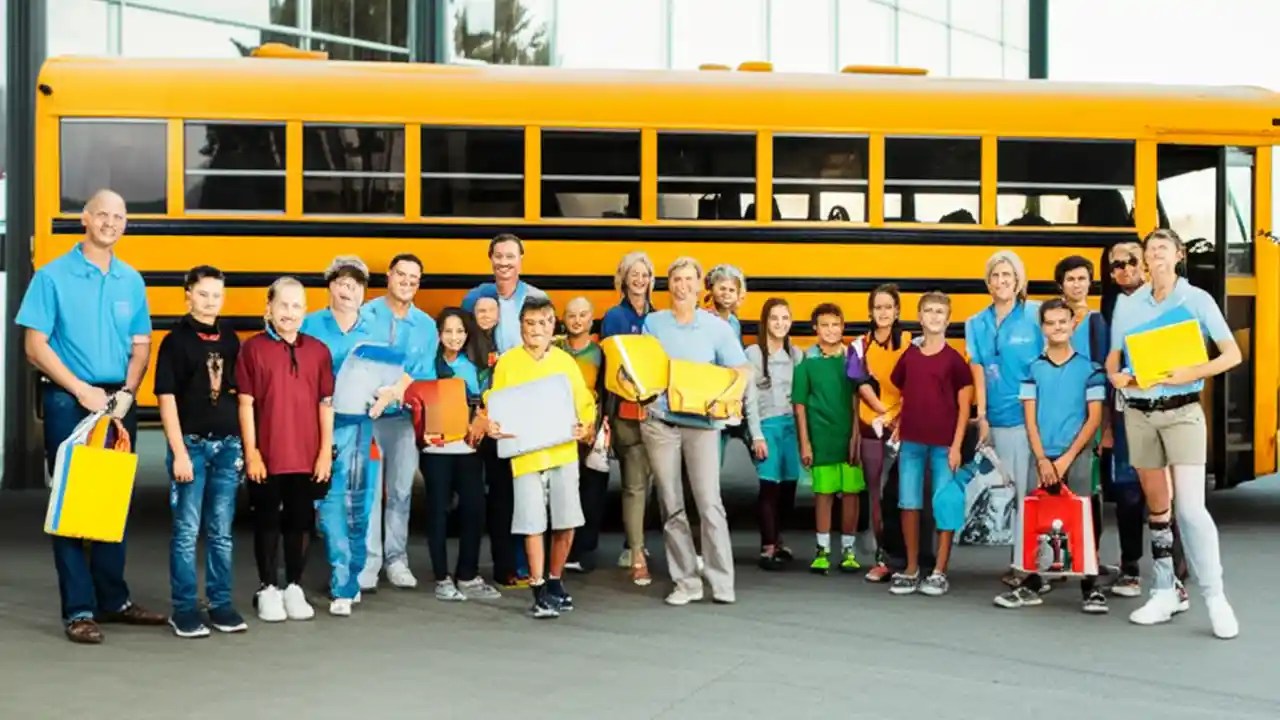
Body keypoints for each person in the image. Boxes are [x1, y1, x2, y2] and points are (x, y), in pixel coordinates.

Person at [17, 188, 167, 643]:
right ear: (85, 218)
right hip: (70, 400)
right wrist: (81, 390)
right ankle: (79, 610)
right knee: (72, 506)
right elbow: (34, 345)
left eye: (118, 216)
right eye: (102, 214)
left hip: (118, 403)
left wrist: (127, 391)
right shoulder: (52, 276)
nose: (110, 223)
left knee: (111, 501)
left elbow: (141, 346)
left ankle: (113, 600)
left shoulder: (130, 280)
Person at [1106, 229, 1240, 639]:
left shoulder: (1196, 299)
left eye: (1163, 249)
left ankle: (1215, 596)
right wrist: (1121, 378)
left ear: (1179, 255)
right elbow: (1113, 362)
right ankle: (1164, 590)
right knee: (1158, 511)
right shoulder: (1127, 306)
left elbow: (1231, 353)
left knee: (1191, 509)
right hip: (1140, 414)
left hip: (1182, 411)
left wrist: (1192, 372)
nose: (1155, 256)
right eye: (1150, 250)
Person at [641, 257, 750, 607]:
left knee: (709, 503)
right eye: (676, 279)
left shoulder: (716, 327)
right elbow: (645, 370)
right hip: (662, 423)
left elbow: (742, 370)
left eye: (689, 279)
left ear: (700, 285)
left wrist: (724, 399)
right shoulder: (654, 323)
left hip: (703, 424)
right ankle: (686, 582)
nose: (682, 285)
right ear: (668, 284)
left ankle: (721, 581)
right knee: (671, 504)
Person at [994, 299, 1108, 614]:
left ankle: (1091, 585)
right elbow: (1029, 419)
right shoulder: (1033, 370)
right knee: (1040, 519)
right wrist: (1043, 459)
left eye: (1063, 322)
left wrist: (1066, 458)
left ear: (1073, 325)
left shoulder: (1091, 369)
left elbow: (1094, 418)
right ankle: (1033, 582)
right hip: (1042, 456)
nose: (1057, 327)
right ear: (1042, 328)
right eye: (1051, 322)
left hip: (1077, 455)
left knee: (1083, 517)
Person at [484, 296, 596, 619]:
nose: (536, 329)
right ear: (520, 327)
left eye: (543, 323)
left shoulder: (565, 362)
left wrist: (584, 427)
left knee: (566, 519)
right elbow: (496, 401)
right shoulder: (507, 363)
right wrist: (492, 424)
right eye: (529, 323)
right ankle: (537, 586)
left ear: (553, 326)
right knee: (532, 520)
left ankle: (556, 580)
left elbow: (584, 403)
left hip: (562, 450)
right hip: (525, 453)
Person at [154, 265, 247, 638]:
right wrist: (178, 451)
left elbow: (238, 391)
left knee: (221, 530)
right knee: (187, 530)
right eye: (204, 294)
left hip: (227, 445)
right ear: (188, 294)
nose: (211, 302)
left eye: (217, 295)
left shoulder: (230, 339)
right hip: (190, 445)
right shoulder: (175, 341)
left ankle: (221, 603)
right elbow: (166, 399)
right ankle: (184, 608)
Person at [237, 277, 335, 623]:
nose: (290, 312)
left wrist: (324, 452)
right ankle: (268, 587)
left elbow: (325, 404)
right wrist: (252, 451)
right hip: (268, 452)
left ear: (306, 311)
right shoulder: (253, 349)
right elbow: (246, 404)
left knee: (301, 519)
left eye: (297, 306)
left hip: (306, 453)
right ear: (269, 308)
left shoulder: (319, 351)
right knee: (267, 520)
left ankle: (294, 585)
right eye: (283, 305)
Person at [1099, 241, 1190, 604]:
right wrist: (1107, 423)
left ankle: (1174, 570)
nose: (1124, 269)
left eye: (1131, 260)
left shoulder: (1168, 302)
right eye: (1116, 264)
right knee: (1126, 491)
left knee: (1165, 492)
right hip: (1125, 411)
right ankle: (1130, 565)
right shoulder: (1110, 309)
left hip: (1166, 408)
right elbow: (1107, 369)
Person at [301, 256, 387, 616]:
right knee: (328, 504)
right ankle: (339, 579)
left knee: (359, 505)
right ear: (330, 287)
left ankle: (349, 580)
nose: (348, 289)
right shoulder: (310, 325)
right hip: (316, 426)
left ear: (364, 292)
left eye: (356, 284)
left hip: (360, 426)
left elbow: (390, 377)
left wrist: (388, 393)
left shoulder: (373, 330)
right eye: (341, 282)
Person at [359, 253, 439, 591]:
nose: (407, 282)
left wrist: (396, 391)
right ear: (389, 276)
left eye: (414, 278)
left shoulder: (426, 325)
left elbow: (424, 374)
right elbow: (357, 359)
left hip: (403, 420)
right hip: (368, 417)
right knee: (370, 492)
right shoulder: (367, 314)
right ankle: (368, 560)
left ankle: (396, 559)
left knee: (401, 491)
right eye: (401, 275)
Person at [965, 250, 1043, 588]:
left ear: (1019, 281)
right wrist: (981, 415)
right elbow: (978, 370)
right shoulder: (976, 322)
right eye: (995, 276)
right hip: (995, 418)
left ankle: (1029, 565)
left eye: (1008, 276)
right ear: (987, 282)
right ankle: (1022, 562)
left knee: (1028, 494)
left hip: (1027, 419)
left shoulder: (1036, 315)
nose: (1001, 282)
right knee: (1006, 492)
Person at [888, 292, 973, 597]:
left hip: (943, 445)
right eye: (929, 311)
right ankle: (911, 568)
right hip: (911, 441)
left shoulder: (955, 361)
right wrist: (899, 421)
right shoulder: (909, 356)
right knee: (908, 503)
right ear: (920, 317)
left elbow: (965, 407)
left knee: (944, 504)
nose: (935, 316)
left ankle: (939, 570)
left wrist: (957, 446)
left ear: (948, 320)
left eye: (940, 312)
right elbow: (904, 393)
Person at [421, 308, 502, 602]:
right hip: (436, 450)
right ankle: (442, 576)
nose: (454, 337)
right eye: (448, 331)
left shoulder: (475, 366)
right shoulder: (427, 365)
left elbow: (486, 401)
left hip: (468, 448)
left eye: (460, 331)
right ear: (438, 335)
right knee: (438, 510)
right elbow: (416, 402)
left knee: (473, 508)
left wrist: (481, 419)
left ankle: (467, 574)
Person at [845, 284, 922, 583]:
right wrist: (884, 414)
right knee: (876, 495)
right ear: (870, 311)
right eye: (878, 307)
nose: (883, 313)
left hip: (907, 429)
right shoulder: (859, 346)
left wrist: (898, 418)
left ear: (898, 311)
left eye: (889, 307)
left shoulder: (909, 344)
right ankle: (883, 557)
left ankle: (912, 556)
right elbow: (861, 383)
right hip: (872, 430)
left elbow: (916, 384)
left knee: (906, 495)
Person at [600, 251, 657, 585]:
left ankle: (632, 542)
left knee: (645, 481)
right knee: (635, 482)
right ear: (622, 279)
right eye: (633, 275)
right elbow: (614, 364)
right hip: (625, 409)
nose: (639, 280)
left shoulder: (657, 317)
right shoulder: (615, 317)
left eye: (645, 275)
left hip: (653, 410)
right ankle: (635, 552)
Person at [794, 303, 863, 574]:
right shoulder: (806, 364)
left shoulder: (852, 361)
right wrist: (805, 442)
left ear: (843, 327)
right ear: (815, 329)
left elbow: (858, 401)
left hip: (848, 437)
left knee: (851, 494)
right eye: (824, 325)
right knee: (823, 494)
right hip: (821, 437)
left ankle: (849, 549)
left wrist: (856, 434)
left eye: (836, 325)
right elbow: (799, 406)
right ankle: (822, 549)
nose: (831, 330)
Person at [745, 298, 805, 570]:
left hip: (791, 426)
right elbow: (750, 399)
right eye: (774, 318)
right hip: (767, 424)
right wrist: (756, 435)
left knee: (789, 485)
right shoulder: (754, 354)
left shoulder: (797, 355)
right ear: (765, 322)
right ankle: (767, 545)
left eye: (785, 318)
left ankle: (779, 539)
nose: (780, 324)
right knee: (769, 485)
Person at [558, 297, 610, 574]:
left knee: (591, 491)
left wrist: (601, 427)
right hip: (558, 426)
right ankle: (562, 548)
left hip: (589, 428)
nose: (577, 320)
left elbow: (606, 392)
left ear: (592, 320)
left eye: (583, 315)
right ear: (563, 319)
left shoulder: (600, 354)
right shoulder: (555, 349)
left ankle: (585, 550)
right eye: (571, 315)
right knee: (563, 490)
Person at [462, 233, 548, 353]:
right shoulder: (474, 297)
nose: (503, 262)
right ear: (491, 258)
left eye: (510, 256)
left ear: (520, 258)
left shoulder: (537, 298)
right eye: (498, 256)